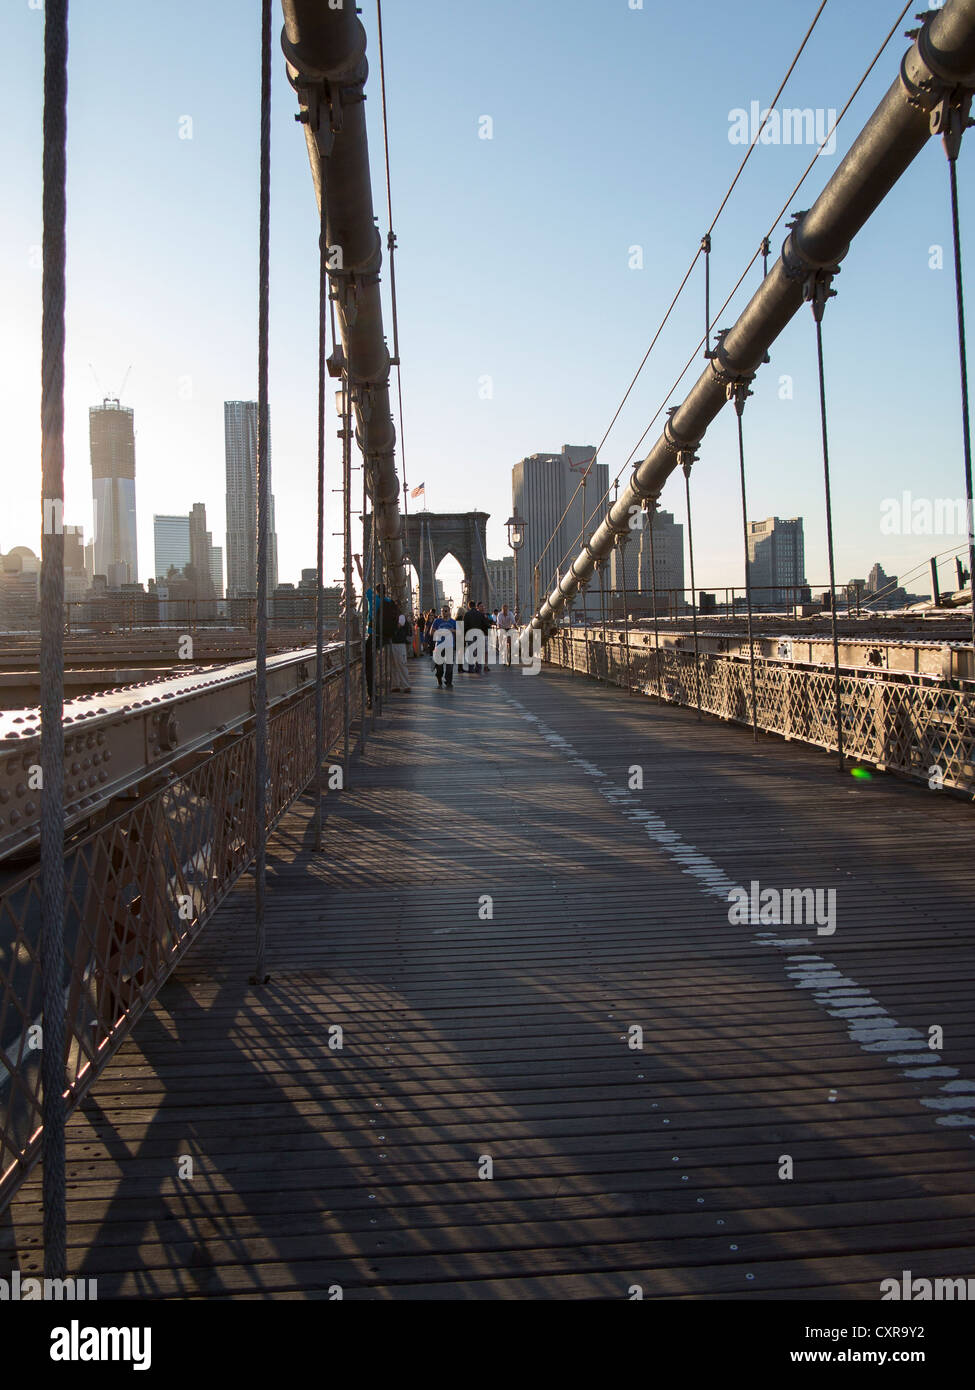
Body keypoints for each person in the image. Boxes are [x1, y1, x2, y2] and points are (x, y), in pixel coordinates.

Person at [431, 605, 456, 687]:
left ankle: (448, 681)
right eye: (443, 611)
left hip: (449, 646)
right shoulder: (437, 621)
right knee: (439, 666)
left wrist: (452, 630)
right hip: (439, 646)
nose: (444, 612)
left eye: (446, 611)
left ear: (449, 612)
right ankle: (439, 677)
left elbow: (459, 632)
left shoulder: (453, 622)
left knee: (450, 666)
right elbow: (431, 632)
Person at [389, 612, 412, 692]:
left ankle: (406, 685)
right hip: (394, 643)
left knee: (401, 664)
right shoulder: (396, 616)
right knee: (393, 665)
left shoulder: (401, 617)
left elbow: (397, 626)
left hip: (399, 643)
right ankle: (395, 685)